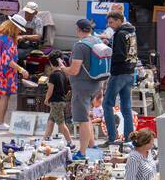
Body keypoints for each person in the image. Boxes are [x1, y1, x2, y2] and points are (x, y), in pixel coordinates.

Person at [66, 18, 109, 156]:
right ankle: (92, 145)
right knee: (87, 115)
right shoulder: (97, 41)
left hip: (82, 86)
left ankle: (82, 152)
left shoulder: (80, 46)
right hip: (95, 84)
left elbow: (74, 70)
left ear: (78, 29)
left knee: (82, 119)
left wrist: (63, 68)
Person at [0, 18, 28, 131]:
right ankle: (0, 122)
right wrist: (21, 70)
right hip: (4, 72)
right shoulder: (9, 41)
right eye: (19, 29)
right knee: (4, 96)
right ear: (14, 27)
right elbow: (8, 61)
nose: (20, 32)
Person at [104, 9, 138, 146]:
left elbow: (119, 55)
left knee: (107, 104)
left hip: (119, 73)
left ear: (119, 21)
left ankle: (112, 138)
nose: (109, 25)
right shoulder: (131, 32)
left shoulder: (120, 34)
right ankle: (129, 138)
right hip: (130, 73)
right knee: (126, 107)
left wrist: (107, 50)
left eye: (111, 22)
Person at [41, 52, 75, 145]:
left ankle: (70, 143)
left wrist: (46, 99)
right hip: (61, 101)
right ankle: (45, 140)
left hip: (55, 102)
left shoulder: (53, 75)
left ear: (51, 63)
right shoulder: (63, 74)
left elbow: (50, 90)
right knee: (50, 121)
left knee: (61, 124)